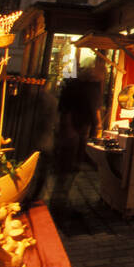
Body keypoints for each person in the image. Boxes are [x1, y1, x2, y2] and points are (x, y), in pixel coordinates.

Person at [49, 64, 102, 215]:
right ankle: (59, 201)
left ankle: (62, 199)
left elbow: (95, 110)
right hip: (74, 130)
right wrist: (69, 129)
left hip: (81, 130)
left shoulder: (90, 88)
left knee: (72, 166)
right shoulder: (77, 88)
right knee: (67, 166)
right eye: (98, 72)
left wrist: (96, 126)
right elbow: (66, 110)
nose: (100, 75)